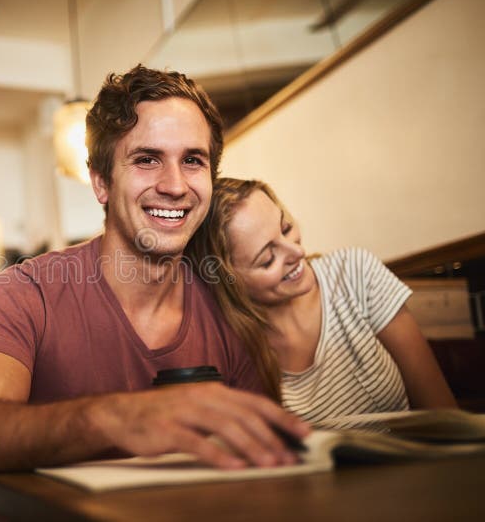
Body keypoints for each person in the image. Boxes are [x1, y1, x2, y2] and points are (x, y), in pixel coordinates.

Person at [0, 66, 310, 491]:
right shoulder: (24, 294)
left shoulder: (228, 304)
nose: (175, 185)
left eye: (193, 161)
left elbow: (270, 469)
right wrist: (113, 417)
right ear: (101, 182)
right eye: (147, 160)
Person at [187, 177, 457, 423]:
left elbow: (444, 415)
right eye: (268, 259)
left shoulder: (355, 273)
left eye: (286, 228)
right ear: (228, 282)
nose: (297, 251)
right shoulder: (228, 347)